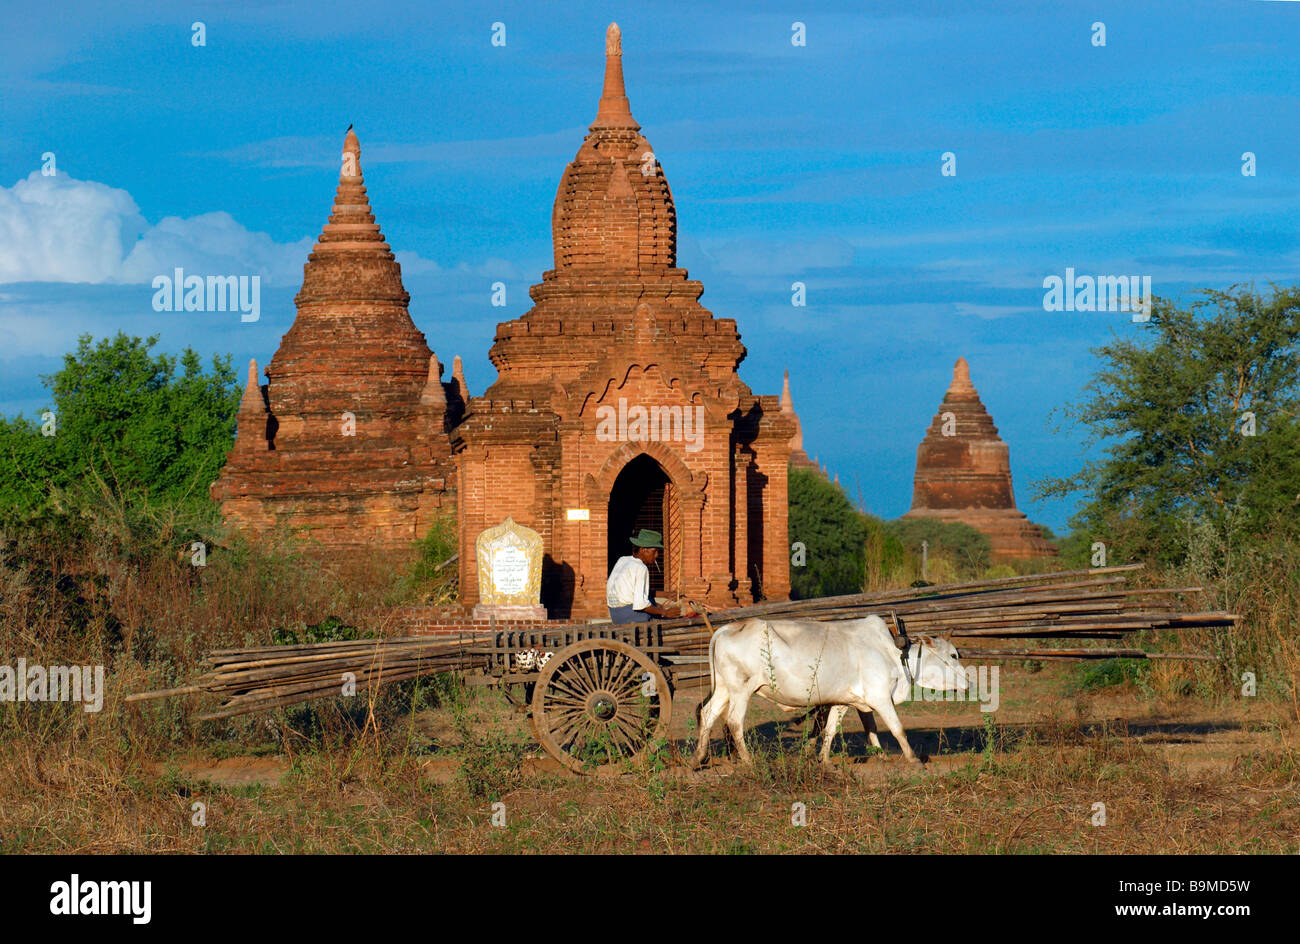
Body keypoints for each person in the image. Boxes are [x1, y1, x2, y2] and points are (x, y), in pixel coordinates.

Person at [606, 529, 683, 623]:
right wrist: (665, 612)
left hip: (615, 615)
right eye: (654, 551)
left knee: (654, 603)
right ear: (643, 550)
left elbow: (635, 591)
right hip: (630, 616)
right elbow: (640, 605)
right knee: (656, 609)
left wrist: (666, 594)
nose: (657, 555)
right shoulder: (641, 568)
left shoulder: (623, 560)